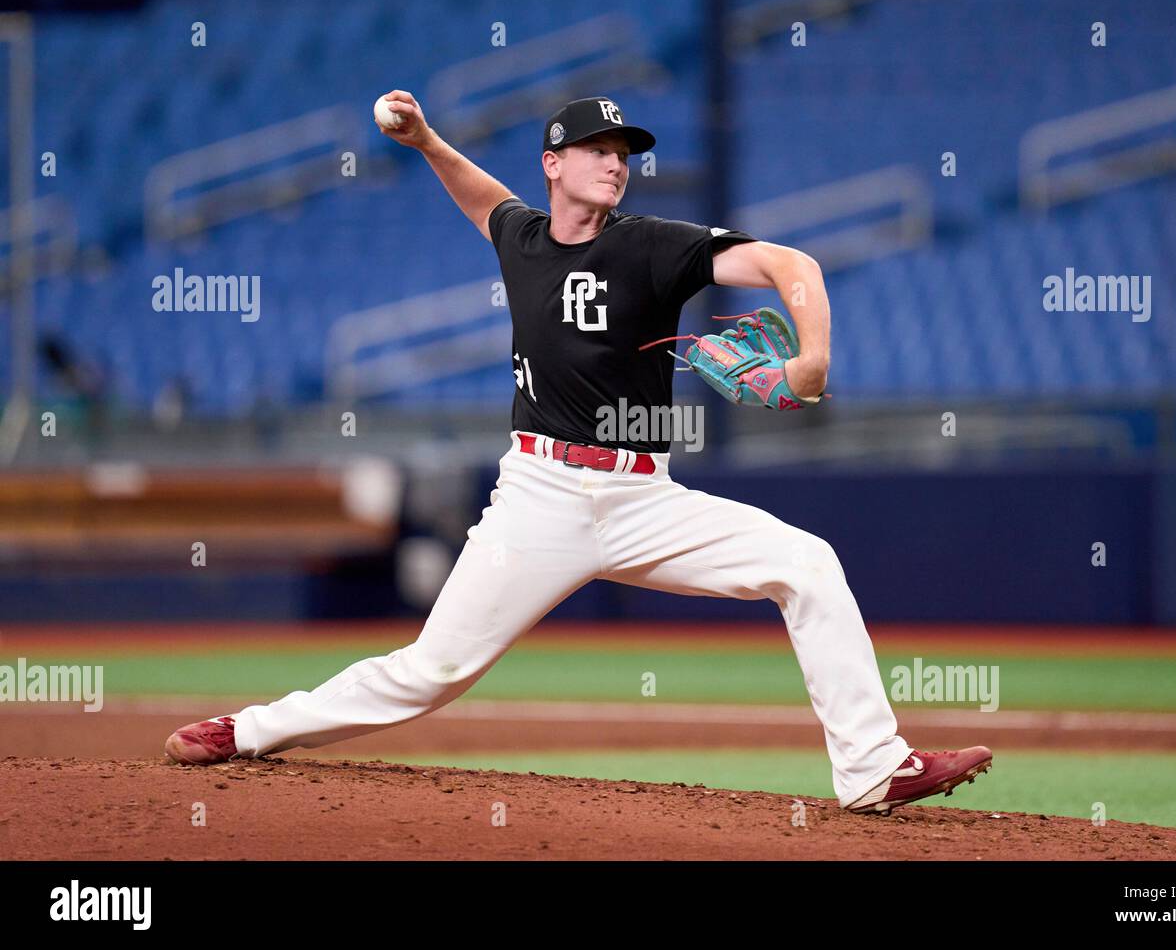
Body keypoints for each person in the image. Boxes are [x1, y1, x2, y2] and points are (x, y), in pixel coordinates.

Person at [164, 93, 991, 816]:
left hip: (646, 498)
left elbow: (789, 262)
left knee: (807, 565)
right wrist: (423, 141)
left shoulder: (651, 246)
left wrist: (811, 360)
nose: (617, 163)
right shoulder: (521, 237)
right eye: (598, 149)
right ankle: (247, 730)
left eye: (625, 153)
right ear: (553, 164)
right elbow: (479, 194)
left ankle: (875, 768)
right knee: (432, 671)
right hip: (539, 496)